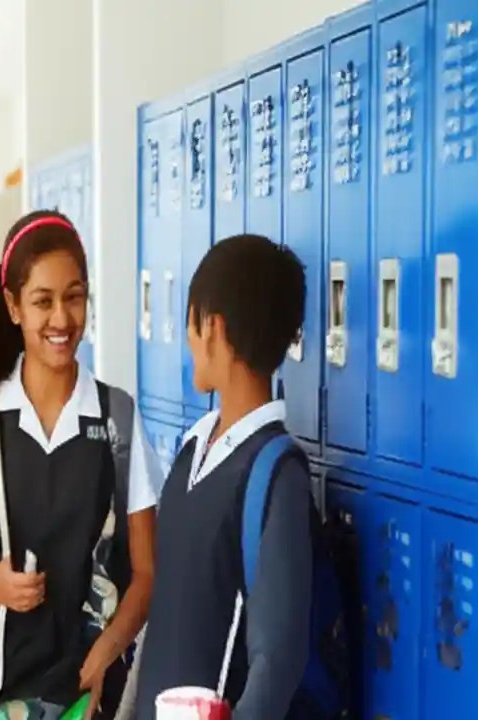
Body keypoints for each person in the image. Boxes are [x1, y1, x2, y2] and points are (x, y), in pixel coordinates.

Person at [0, 211, 162, 720]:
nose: (61, 318)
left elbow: (148, 572)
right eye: (43, 301)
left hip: (89, 694)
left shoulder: (117, 417)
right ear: (14, 307)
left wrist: (107, 653)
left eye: (74, 297)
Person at [133, 234, 311, 720]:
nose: (189, 338)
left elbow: (277, 661)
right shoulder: (194, 448)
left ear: (211, 326)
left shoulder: (277, 474)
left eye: (191, 323)